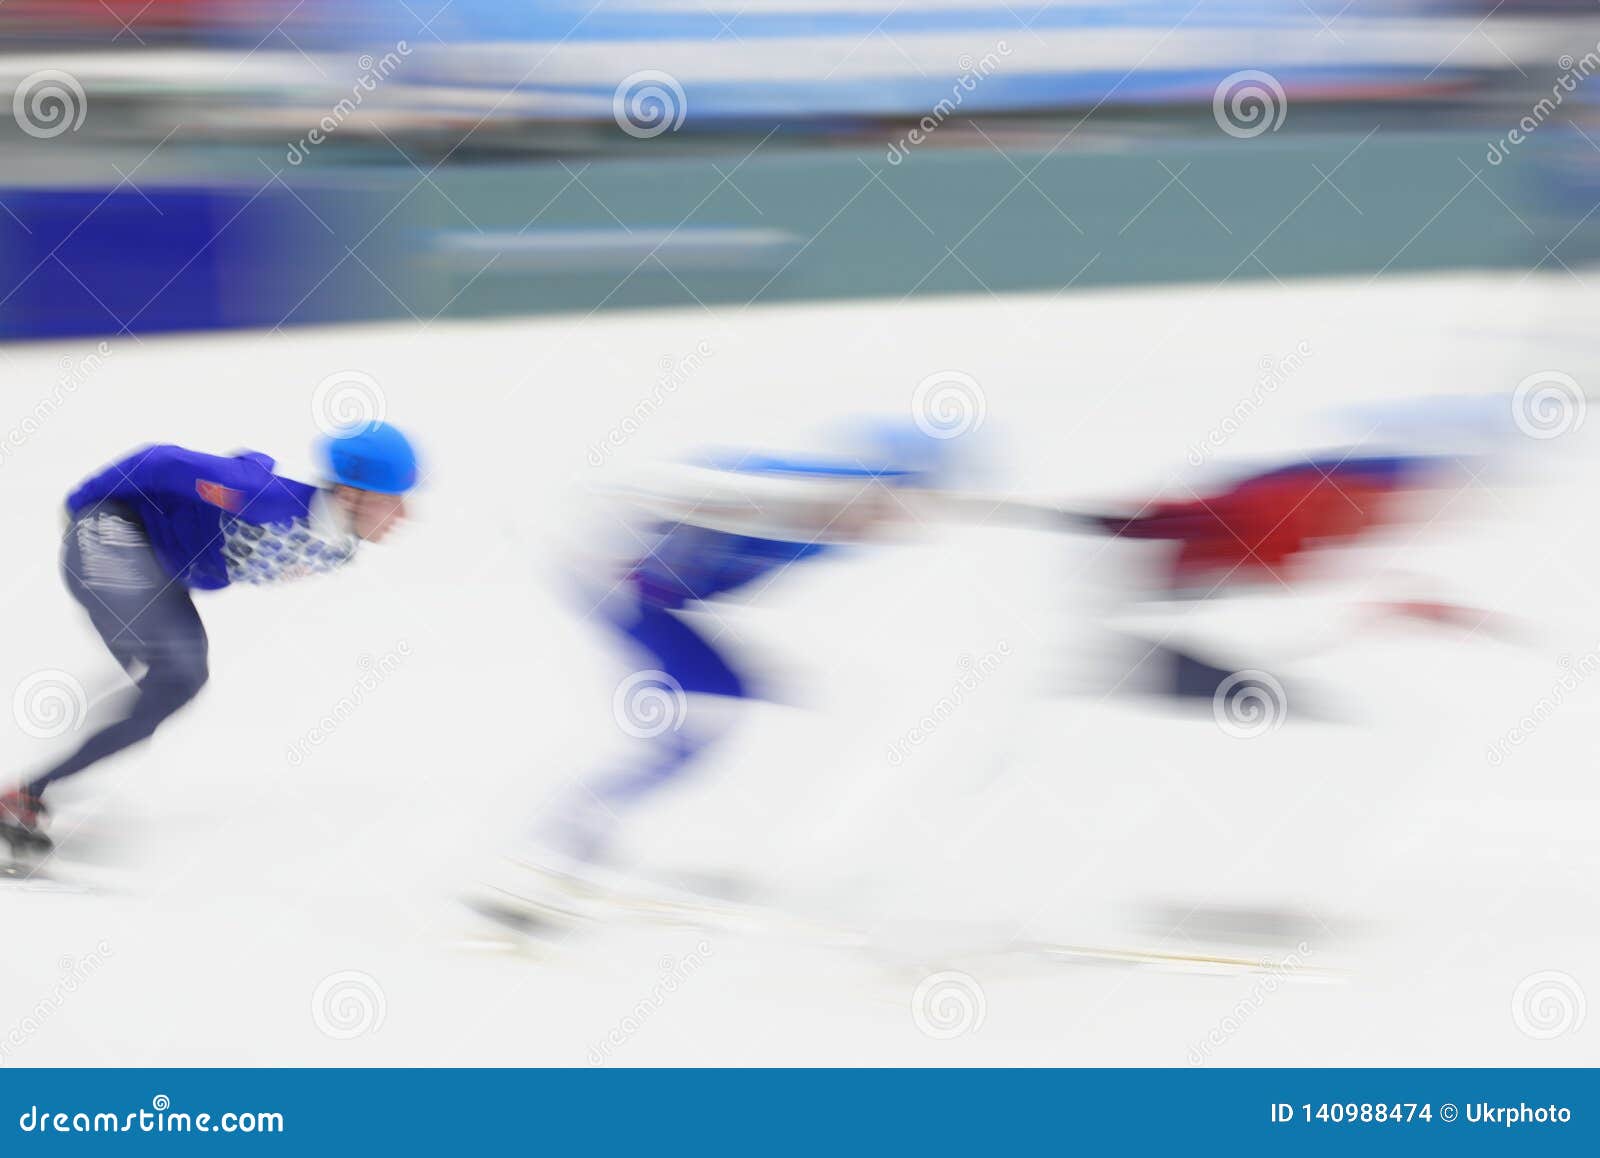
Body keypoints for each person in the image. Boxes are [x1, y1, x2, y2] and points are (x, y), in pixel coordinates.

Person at [0, 422, 419, 851]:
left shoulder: (340, 548)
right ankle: (30, 781)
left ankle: (29, 788)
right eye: (392, 501)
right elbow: (160, 461)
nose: (404, 516)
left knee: (178, 684)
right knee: (176, 667)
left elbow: (246, 476)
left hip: (159, 571)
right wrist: (79, 505)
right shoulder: (263, 498)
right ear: (350, 495)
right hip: (109, 533)